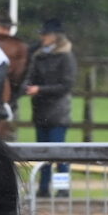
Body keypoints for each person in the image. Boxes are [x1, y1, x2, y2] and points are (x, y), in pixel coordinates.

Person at [24, 18, 77, 198]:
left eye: (45, 35)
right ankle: (44, 187)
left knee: (58, 152)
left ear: (55, 37)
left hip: (57, 110)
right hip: (41, 109)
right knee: (42, 152)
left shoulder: (66, 56)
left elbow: (66, 85)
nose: (42, 38)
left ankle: (62, 187)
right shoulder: (38, 56)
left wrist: (40, 89)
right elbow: (30, 76)